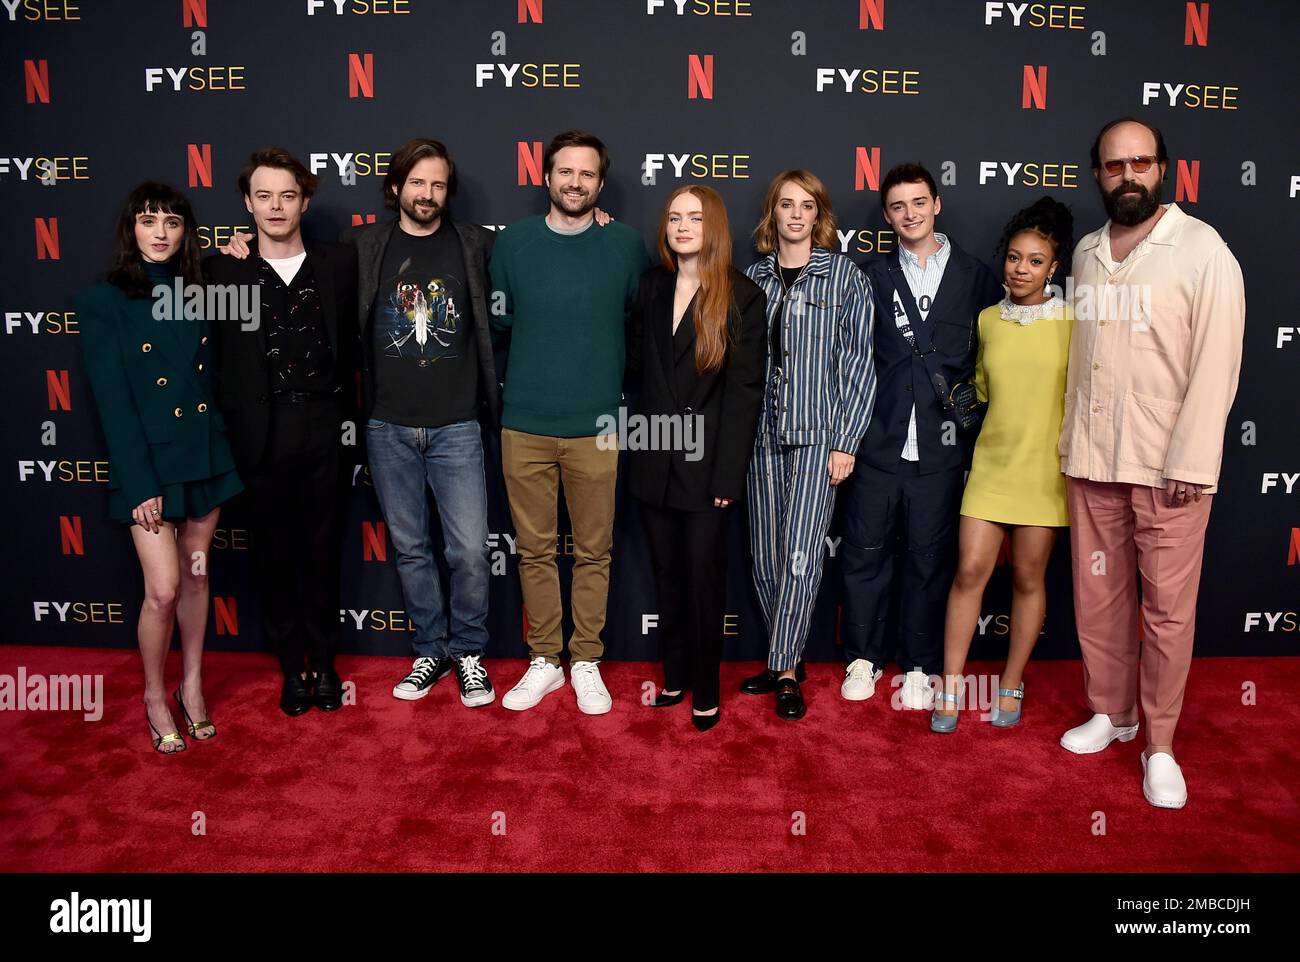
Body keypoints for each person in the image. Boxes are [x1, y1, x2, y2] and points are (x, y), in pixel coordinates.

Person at [1057, 118, 1245, 809]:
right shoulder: (1084, 252)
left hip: (1169, 467)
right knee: (1098, 599)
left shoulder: (1201, 250)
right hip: (1093, 462)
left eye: (1139, 162)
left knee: (1167, 614)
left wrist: (1194, 459)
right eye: (1113, 165)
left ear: (1162, 168)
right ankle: (1114, 712)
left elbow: (1217, 362)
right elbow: (1081, 364)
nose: (1126, 175)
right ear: (1098, 174)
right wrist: (1071, 446)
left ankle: (1159, 742)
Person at [76, 182, 243, 753]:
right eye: (149, 221)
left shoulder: (199, 290)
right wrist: (139, 483)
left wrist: (240, 247)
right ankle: (153, 694)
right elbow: (111, 399)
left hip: (202, 456)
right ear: (132, 228)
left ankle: (191, 687)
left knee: (196, 577)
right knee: (164, 591)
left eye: (172, 222)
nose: (161, 232)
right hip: (149, 465)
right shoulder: (104, 300)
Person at [490, 130, 652, 715]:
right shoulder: (514, 244)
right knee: (533, 551)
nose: (575, 183)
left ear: (600, 184)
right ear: (547, 177)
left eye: (587, 175)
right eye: (565, 172)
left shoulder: (626, 246)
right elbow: (499, 324)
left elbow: (642, 320)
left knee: (593, 551)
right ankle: (544, 661)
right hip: (524, 422)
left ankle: (585, 660)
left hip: (600, 426)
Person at [840, 163, 1003, 709]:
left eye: (917, 203)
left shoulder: (979, 279)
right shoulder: (869, 276)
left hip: (942, 453)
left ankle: (917, 665)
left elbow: (992, 362)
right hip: (877, 444)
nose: (908, 214)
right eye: (897, 207)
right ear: (886, 216)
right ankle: (862, 658)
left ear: (937, 203)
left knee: (929, 561)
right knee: (864, 555)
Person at [206, 148, 360, 717]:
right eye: (264, 196)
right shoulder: (224, 269)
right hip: (260, 431)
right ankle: (291, 665)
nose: (276, 206)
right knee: (273, 553)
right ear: (247, 203)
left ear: (306, 201)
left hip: (327, 426)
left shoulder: (341, 263)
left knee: (323, 551)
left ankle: (323, 661)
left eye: (288, 195)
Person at [347, 138, 499, 708]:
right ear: (395, 188)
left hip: (457, 426)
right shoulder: (363, 246)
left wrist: (601, 223)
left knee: (468, 552)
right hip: (387, 428)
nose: (427, 194)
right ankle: (430, 648)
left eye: (437, 185)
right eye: (417, 183)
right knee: (411, 549)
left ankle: (469, 653)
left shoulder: (475, 246)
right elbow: (293, 268)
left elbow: (544, 251)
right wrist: (239, 250)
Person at [930, 197, 1074, 733]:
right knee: (968, 571)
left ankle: (1012, 681)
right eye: (1014, 258)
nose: (1021, 269)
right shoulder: (988, 319)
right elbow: (985, 391)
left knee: (1029, 578)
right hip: (990, 466)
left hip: (1044, 473)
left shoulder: (1073, 320)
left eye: (1035, 261)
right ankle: (950, 685)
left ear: (1053, 268)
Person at [627, 185, 767, 732]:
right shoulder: (651, 285)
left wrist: (728, 473)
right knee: (667, 578)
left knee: (704, 584)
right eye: (674, 217)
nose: (682, 226)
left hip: (709, 471)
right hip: (653, 460)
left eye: (695, 217)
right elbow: (639, 372)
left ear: (714, 228)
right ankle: (676, 676)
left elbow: (744, 394)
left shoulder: (741, 296)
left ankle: (707, 690)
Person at [740, 170, 876, 720]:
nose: (796, 215)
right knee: (766, 555)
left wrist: (847, 441)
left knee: (800, 555)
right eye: (786, 205)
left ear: (819, 216)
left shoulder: (844, 277)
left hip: (818, 436)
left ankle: (788, 670)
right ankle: (781, 656)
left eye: (807, 206)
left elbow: (858, 365)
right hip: (758, 437)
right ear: (772, 213)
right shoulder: (752, 279)